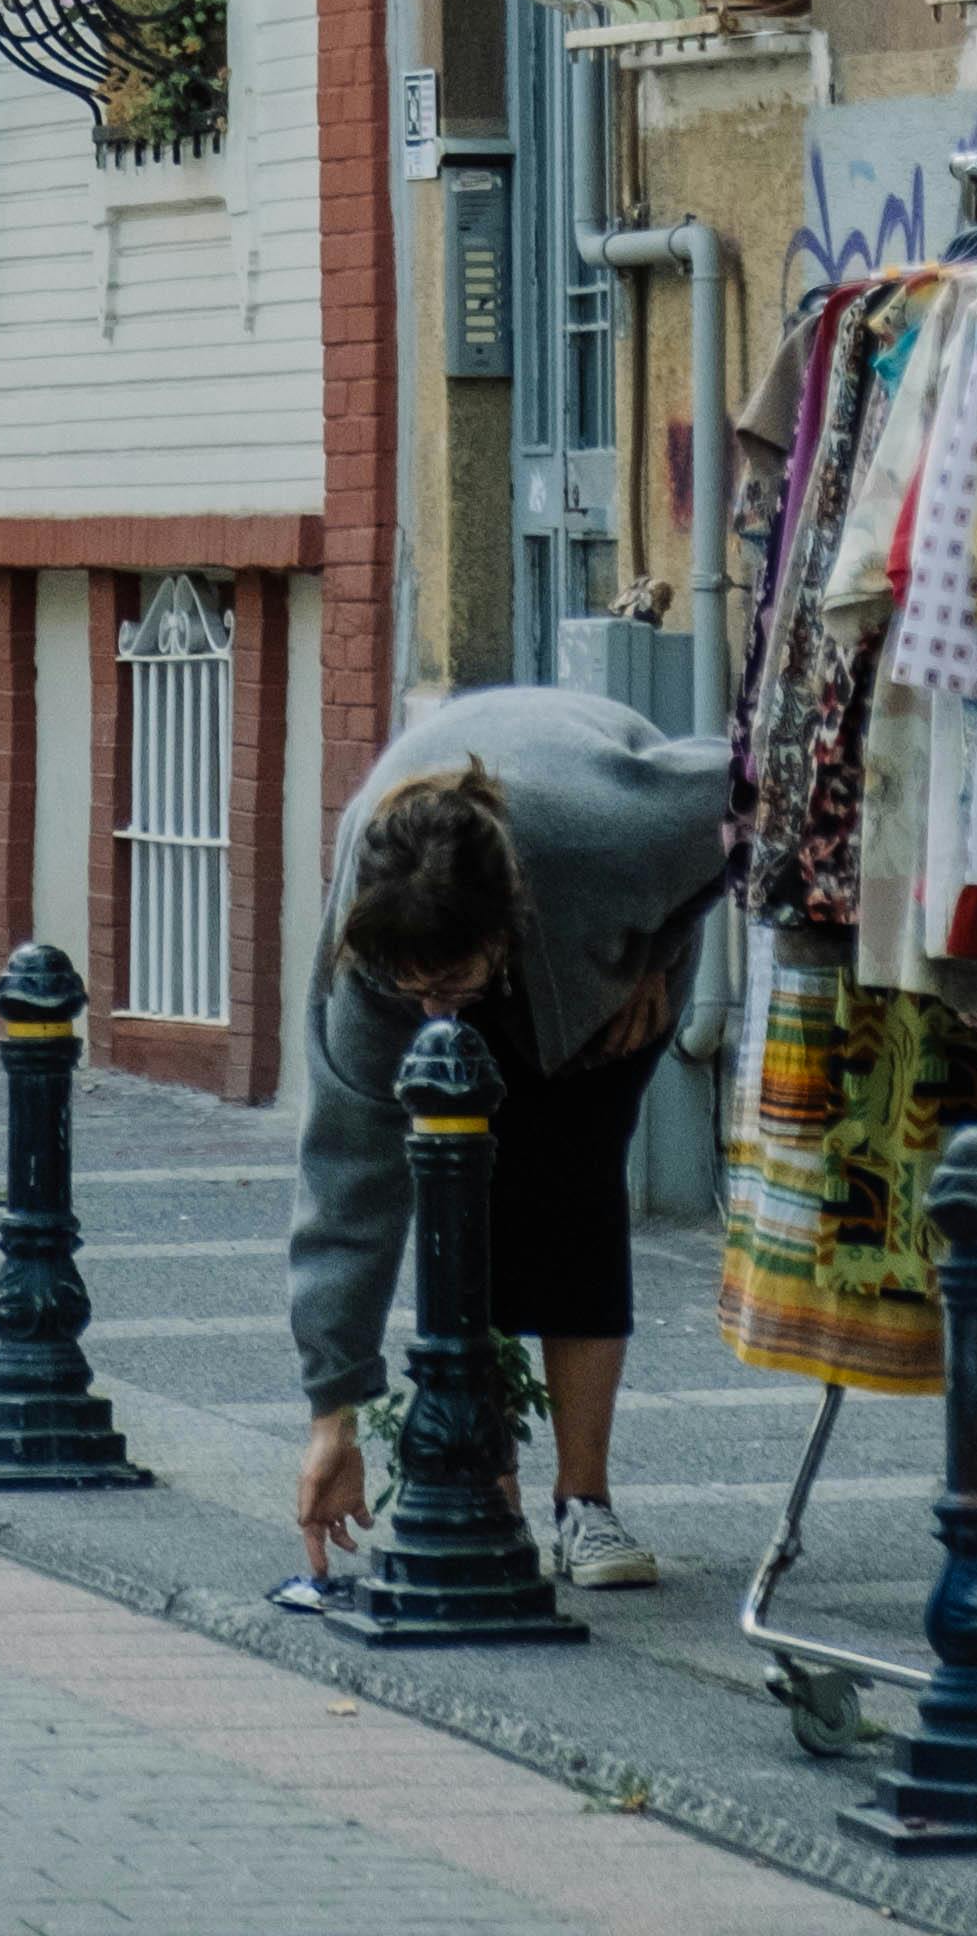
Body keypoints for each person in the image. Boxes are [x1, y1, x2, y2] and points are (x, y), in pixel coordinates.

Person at [288, 681, 730, 1594]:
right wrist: (334, 1409)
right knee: (462, 1212)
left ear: (501, 931)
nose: (434, 1008)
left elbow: (752, 798)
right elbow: (346, 1180)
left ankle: (585, 1504)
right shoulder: (370, 965)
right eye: (415, 989)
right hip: (470, 907)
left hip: (602, 954)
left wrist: (662, 945)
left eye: (450, 981)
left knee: (571, 1189)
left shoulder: (601, 827)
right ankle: (489, 1491)